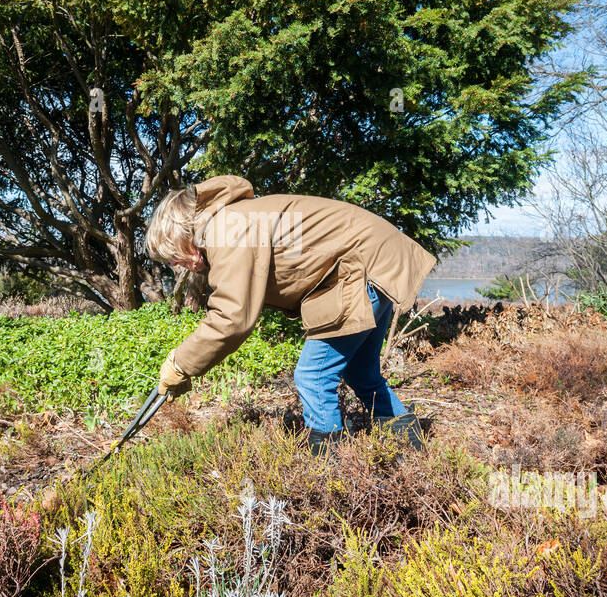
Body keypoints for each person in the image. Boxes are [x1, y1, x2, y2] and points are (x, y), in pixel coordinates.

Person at [144, 175, 436, 454]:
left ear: (184, 232)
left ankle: (330, 471)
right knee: (361, 372)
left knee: (313, 376)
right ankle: (412, 453)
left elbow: (231, 317)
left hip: (360, 268)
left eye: (172, 253)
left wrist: (181, 363)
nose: (174, 263)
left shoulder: (227, 229)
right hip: (376, 261)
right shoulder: (236, 220)